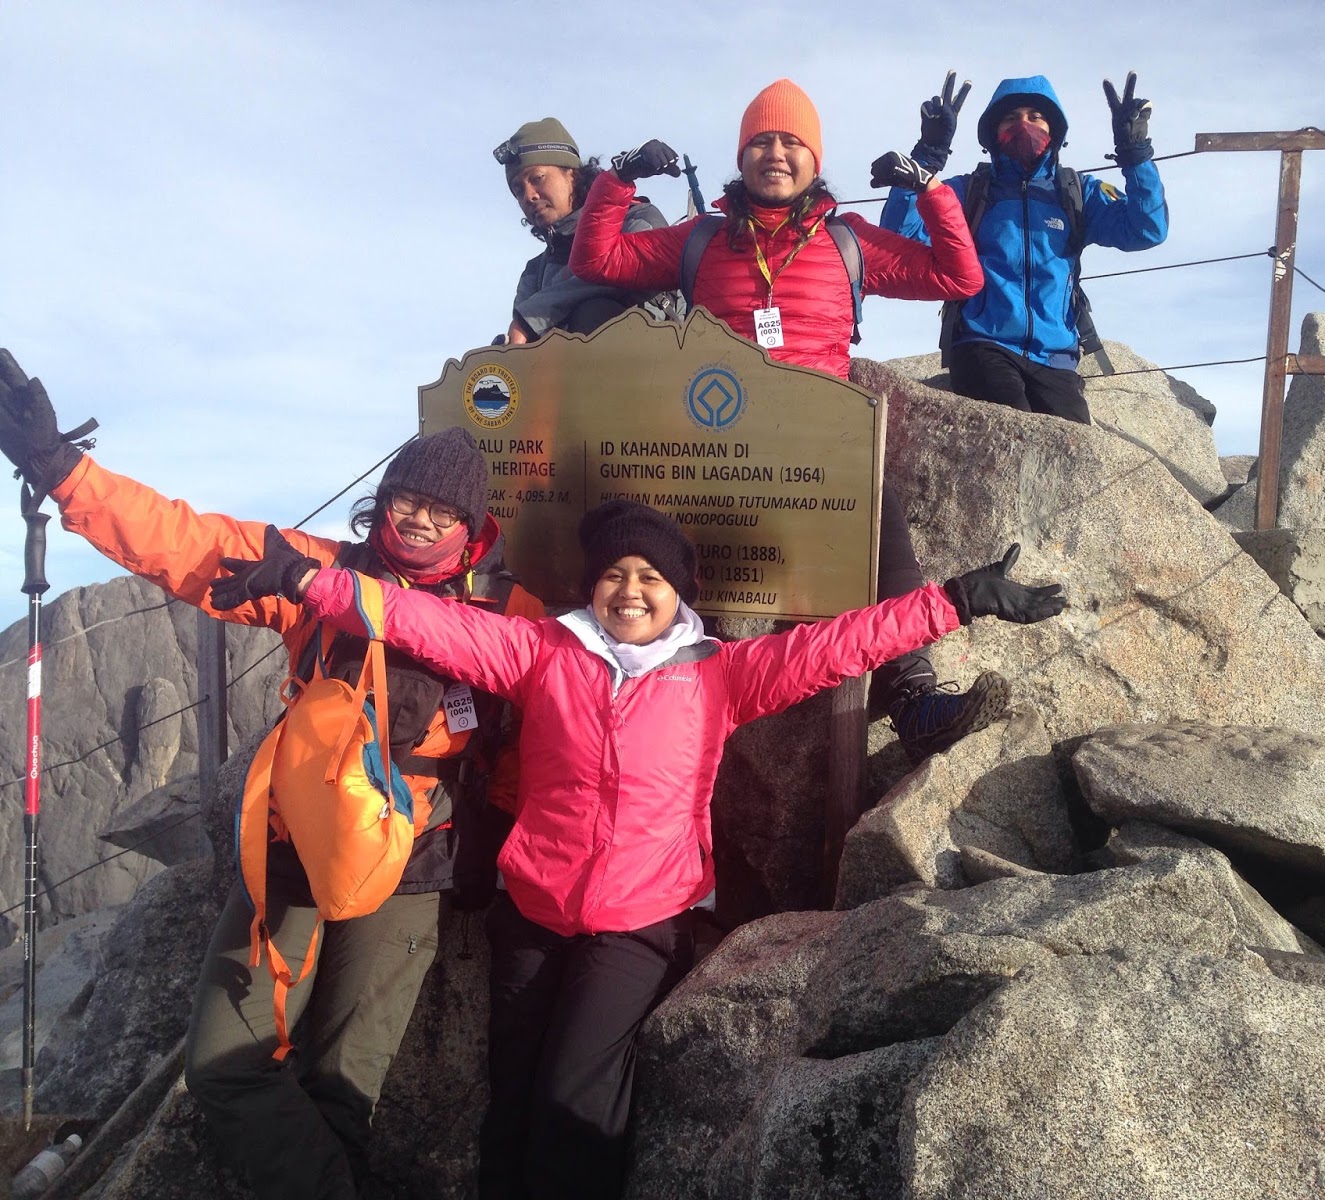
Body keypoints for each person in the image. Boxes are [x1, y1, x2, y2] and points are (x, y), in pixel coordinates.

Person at [207, 497, 1067, 1199]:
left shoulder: (717, 674)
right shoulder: (543, 651)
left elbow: (835, 647)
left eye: (650, 576)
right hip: (532, 911)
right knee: (508, 1105)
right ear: (592, 587)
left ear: (679, 591)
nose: (630, 589)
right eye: (615, 574)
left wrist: (957, 598)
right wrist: (310, 582)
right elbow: (424, 622)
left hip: (640, 924)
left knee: (573, 1101)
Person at [0, 348, 542, 1200]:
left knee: (346, 1085)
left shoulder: (512, 615)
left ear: (474, 525)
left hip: (415, 856)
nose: (423, 522)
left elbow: (550, 719)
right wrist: (65, 473)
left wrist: (500, 840)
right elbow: (190, 542)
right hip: (297, 838)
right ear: (384, 501)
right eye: (408, 500)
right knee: (224, 1062)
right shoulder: (317, 574)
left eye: (445, 510)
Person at [569, 78, 1006, 760]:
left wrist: (928, 187)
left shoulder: (849, 242)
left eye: (791, 141)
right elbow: (597, 258)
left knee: (878, 531)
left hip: (819, 441)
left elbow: (960, 279)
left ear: (813, 158)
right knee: (655, 550)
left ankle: (912, 694)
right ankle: (633, 693)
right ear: (741, 157)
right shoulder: (701, 242)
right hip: (719, 444)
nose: (776, 153)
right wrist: (619, 178)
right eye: (761, 141)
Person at [881, 71, 1169, 423]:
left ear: (1055, 130)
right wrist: (928, 157)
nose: (1023, 125)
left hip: (1056, 355)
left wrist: (1135, 155)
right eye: (1011, 118)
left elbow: (1147, 229)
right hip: (983, 343)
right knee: (1016, 429)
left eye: (1035, 116)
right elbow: (901, 235)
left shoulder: (1078, 192)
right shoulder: (970, 192)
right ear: (993, 133)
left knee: (1071, 455)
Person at [493, 117, 680, 343]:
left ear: (571, 174)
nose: (529, 195)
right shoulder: (535, 272)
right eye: (518, 190)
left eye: (537, 178)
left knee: (593, 311)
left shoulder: (637, 218)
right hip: (563, 375)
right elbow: (521, 339)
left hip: (658, 363)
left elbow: (631, 271)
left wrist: (531, 318)